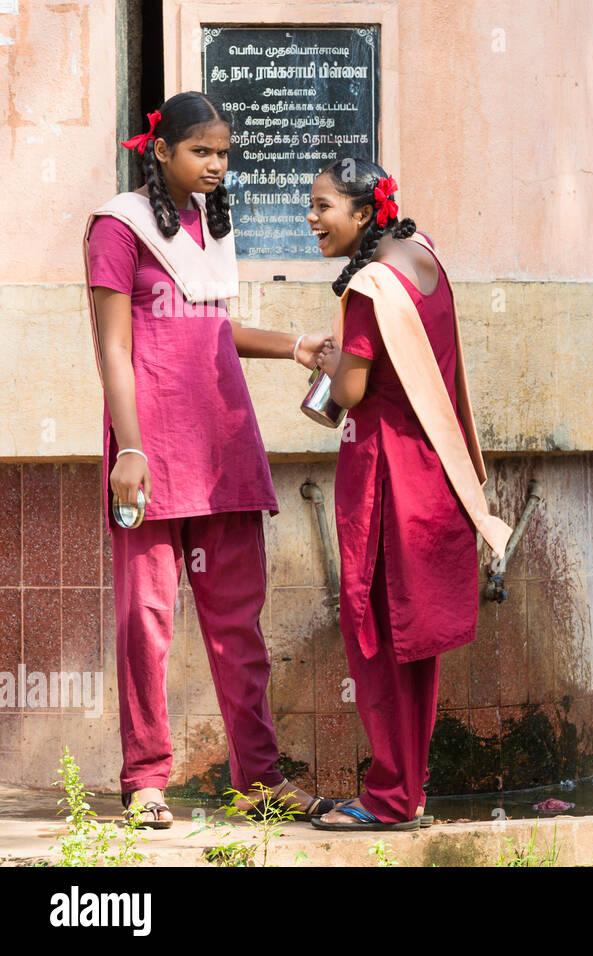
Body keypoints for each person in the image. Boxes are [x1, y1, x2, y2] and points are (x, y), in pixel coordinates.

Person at [83, 92, 333, 826]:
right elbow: (114, 346)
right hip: (149, 451)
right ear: (160, 151)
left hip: (223, 448)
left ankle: (260, 778)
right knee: (145, 623)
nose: (217, 164)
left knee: (239, 627)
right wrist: (127, 447)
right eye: (202, 152)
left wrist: (294, 345)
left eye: (224, 153)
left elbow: (214, 330)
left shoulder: (209, 225)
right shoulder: (118, 226)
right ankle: (146, 781)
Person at [306, 160, 512, 830]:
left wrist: (331, 366)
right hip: (436, 471)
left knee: (373, 633)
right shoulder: (423, 256)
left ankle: (391, 798)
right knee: (412, 639)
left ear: (366, 213)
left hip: (387, 477)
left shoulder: (369, 287)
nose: (311, 218)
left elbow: (354, 394)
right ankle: (407, 791)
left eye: (323, 206)